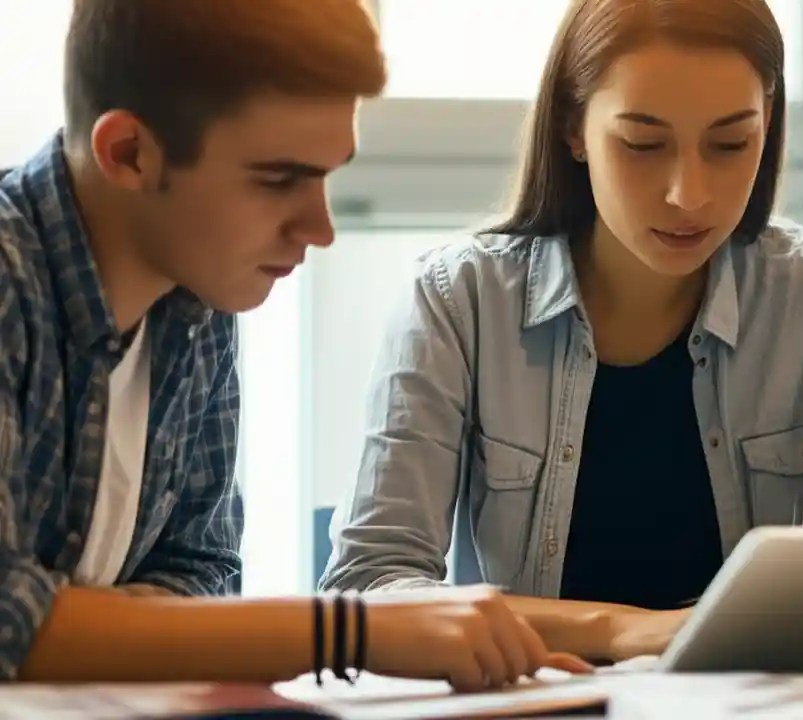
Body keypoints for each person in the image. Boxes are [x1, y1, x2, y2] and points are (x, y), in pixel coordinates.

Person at [322, 0, 803, 664]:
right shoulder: (458, 300)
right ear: (572, 127)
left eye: (732, 142)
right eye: (643, 144)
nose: (690, 194)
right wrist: (618, 630)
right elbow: (366, 591)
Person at [0, 0, 584, 690]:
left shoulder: (197, 298)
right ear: (129, 152)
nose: (320, 227)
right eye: (279, 180)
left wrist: (91, 627)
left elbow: (201, 573)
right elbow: (11, 620)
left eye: (328, 175)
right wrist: (355, 632)